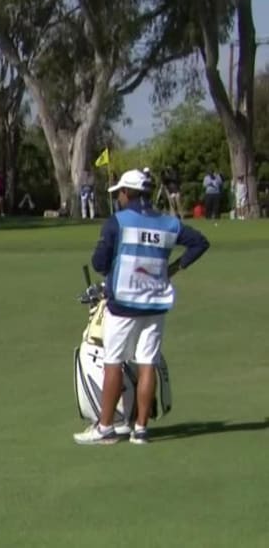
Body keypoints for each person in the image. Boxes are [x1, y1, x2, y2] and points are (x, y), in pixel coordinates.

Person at [74, 169, 209, 445]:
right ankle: (141, 429)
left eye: (120, 193)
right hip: (155, 303)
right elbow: (199, 243)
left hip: (122, 304)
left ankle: (106, 428)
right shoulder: (169, 223)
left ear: (127, 193)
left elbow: (99, 264)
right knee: (147, 363)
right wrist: (173, 268)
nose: (119, 198)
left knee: (113, 362)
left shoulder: (117, 222)